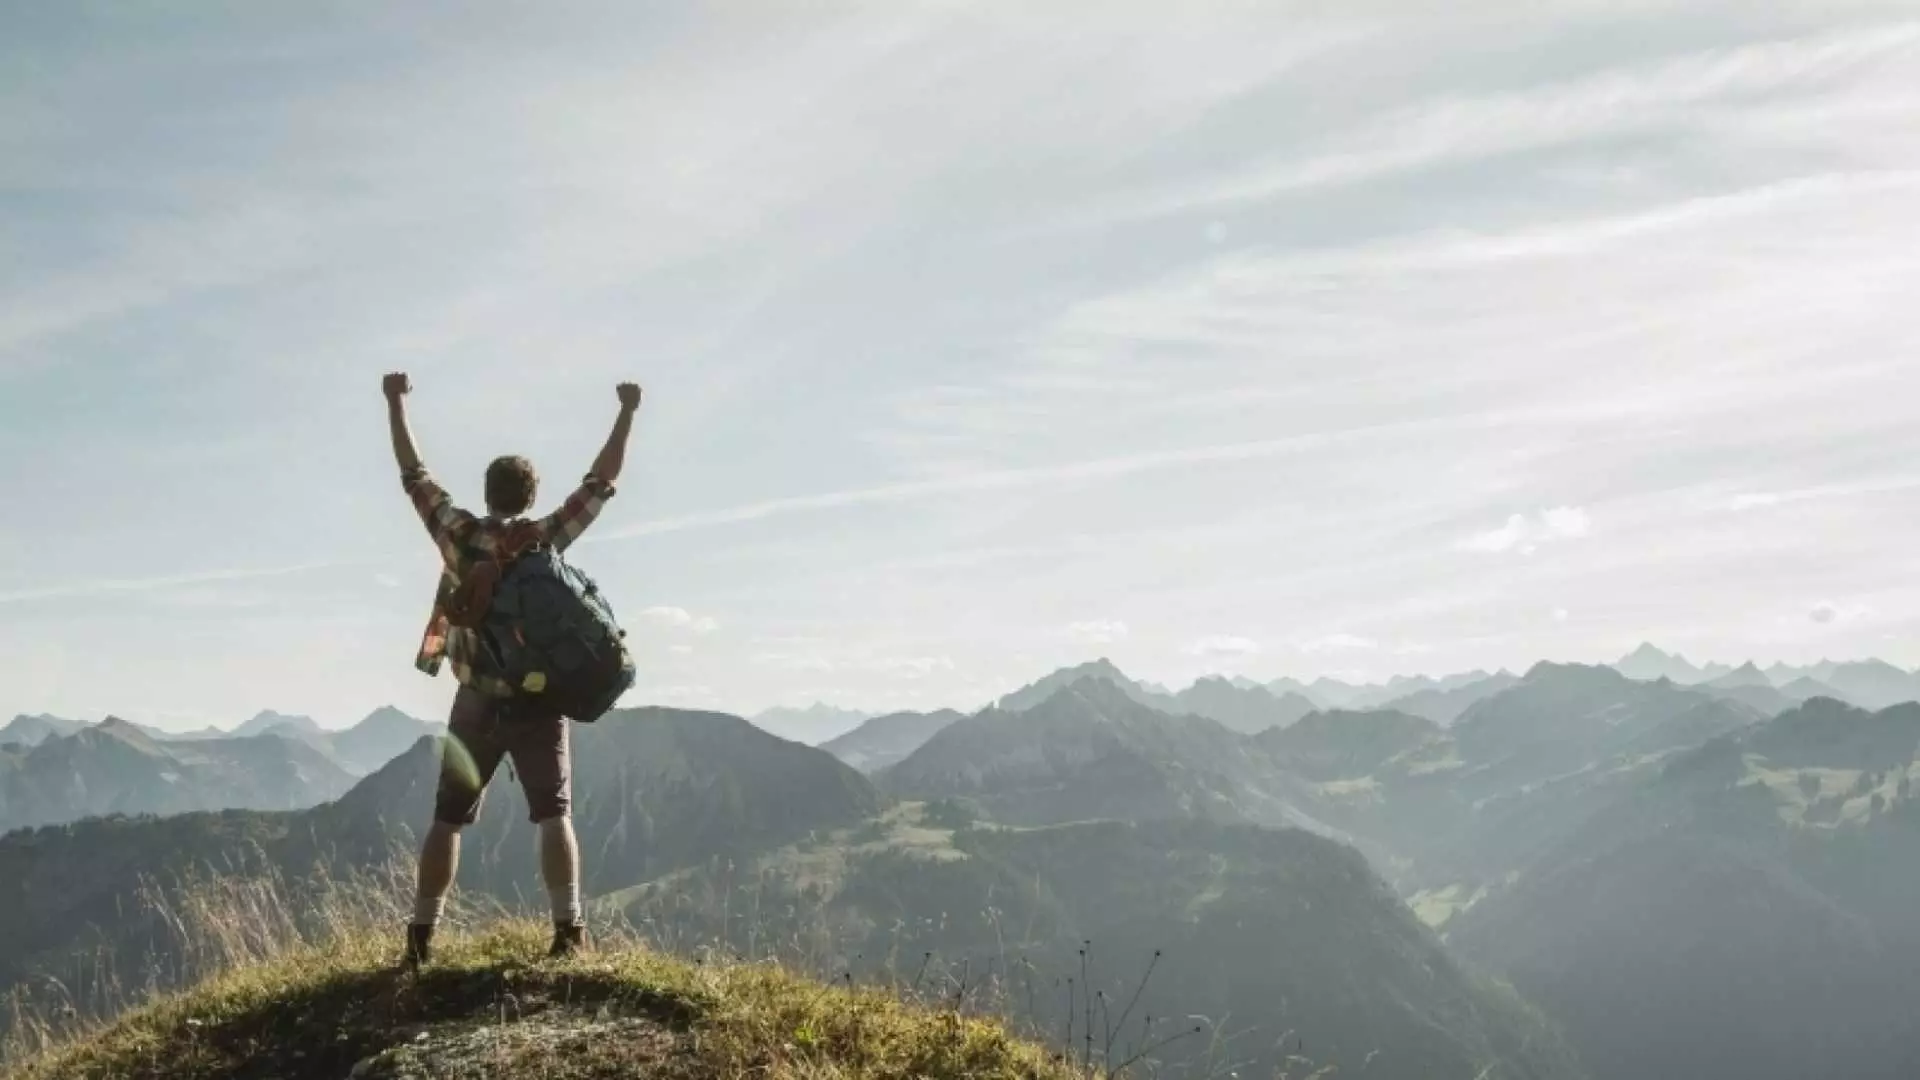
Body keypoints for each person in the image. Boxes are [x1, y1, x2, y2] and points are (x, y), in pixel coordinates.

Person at [382, 371, 642, 966]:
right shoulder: (541, 541)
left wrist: (396, 402)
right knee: (554, 815)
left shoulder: (456, 534)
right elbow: (601, 483)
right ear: (528, 496)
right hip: (537, 703)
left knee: (448, 821)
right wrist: (627, 411)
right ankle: (567, 930)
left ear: (488, 490)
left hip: (473, 702)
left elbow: (413, 475)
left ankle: (421, 938)